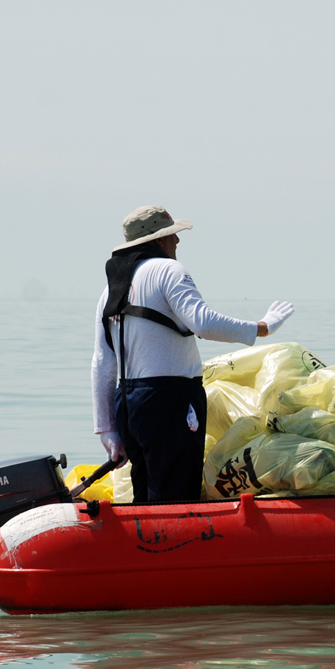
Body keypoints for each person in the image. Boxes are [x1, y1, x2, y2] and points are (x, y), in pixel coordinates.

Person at [92, 205, 294, 503]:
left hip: (128, 405)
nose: (177, 241)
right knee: (175, 497)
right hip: (169, 399)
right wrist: (262, 327)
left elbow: (102, 361)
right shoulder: (168, 270)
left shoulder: (111, 289)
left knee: (146, 494)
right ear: (159, 240)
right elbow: (203, 323)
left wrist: (107, 427)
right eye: (172, 235)